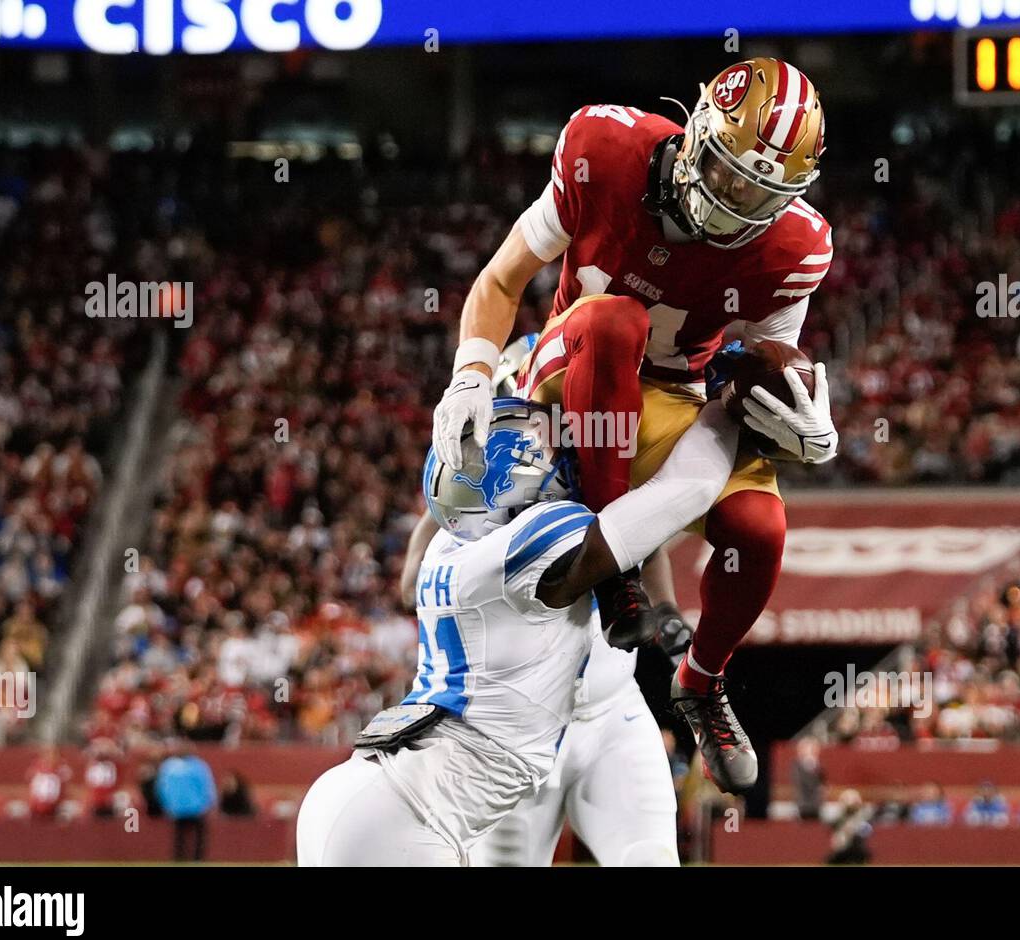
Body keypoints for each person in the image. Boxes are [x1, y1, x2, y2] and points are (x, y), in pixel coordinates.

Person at [431, 58, 839, 794]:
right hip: (569, 362)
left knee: (761, 531)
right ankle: (612, 560)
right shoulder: (603, 148)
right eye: (731, 171)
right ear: (698, 133)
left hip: (676, 392)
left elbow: (764, 370)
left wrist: (805, 421)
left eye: (763, 191)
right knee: (617, 320)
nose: (739, 198)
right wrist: (469, 371)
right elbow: (500, 278)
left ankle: (702, 681)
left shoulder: (796, 246)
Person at [297, 397, 738, 865]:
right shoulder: (525, 548)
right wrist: (726, 412)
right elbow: (687, 487)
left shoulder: (452, 545)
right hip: (406, 819)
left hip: (378, 803)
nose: (564, 460)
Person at [399, 338, 691, 867]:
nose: (546, 429)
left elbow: (642, 543)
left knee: (649, 859)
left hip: (610, 714)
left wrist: (666, 610)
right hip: (512, 733)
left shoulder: (594, 476)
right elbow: (415, 579)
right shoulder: (462, 520)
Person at [155, 741, 218, 862]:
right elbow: (207, 785)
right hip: (196, 807)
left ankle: (179, 858)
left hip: (177, 808)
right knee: (198, 835)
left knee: (180, 836)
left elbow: (162, 788)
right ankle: (197, 859)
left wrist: (166, 804)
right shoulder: (198, 766)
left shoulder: (169, 766)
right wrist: (210, 802)